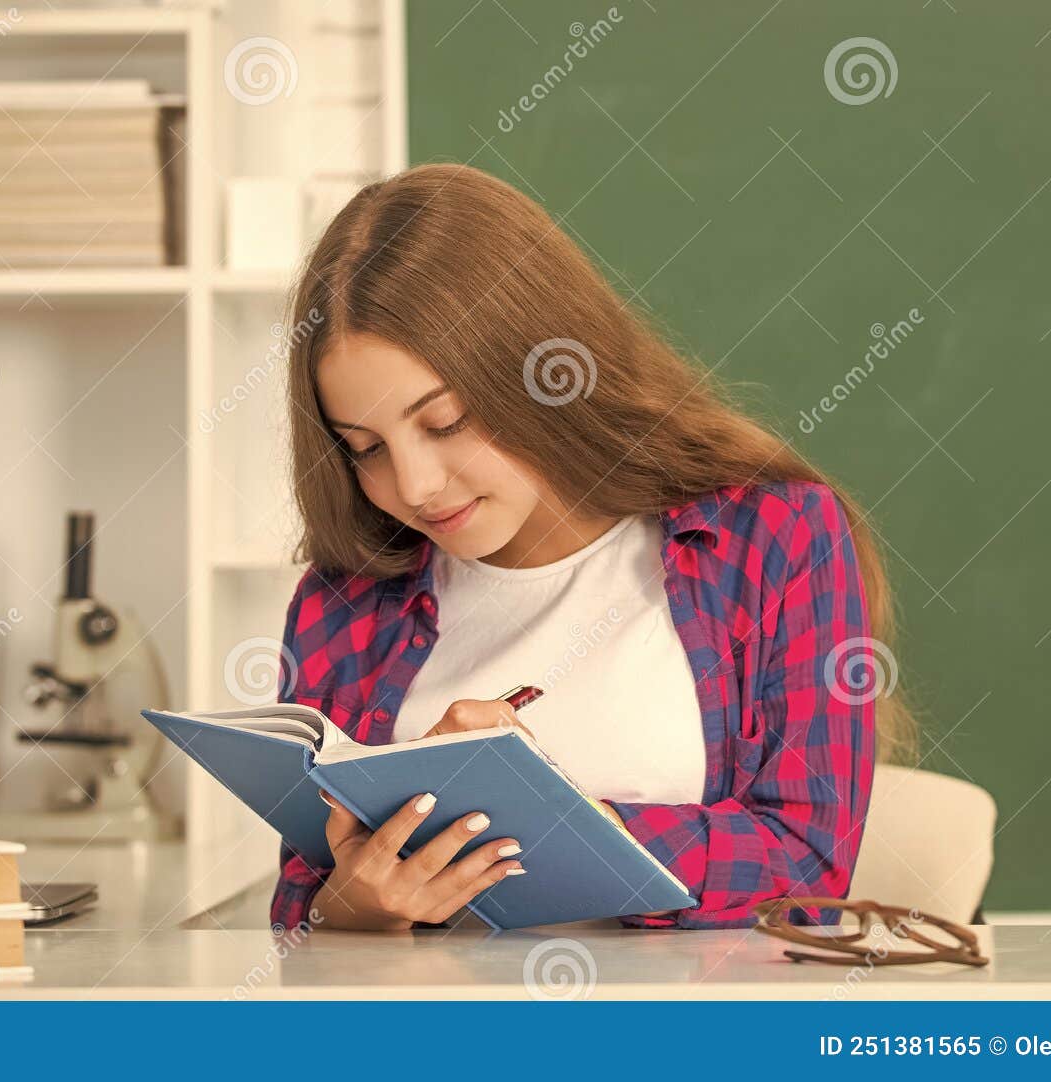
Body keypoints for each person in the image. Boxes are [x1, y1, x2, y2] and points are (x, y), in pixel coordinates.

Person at [268, 163, 911, 932]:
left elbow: (805, 863)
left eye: (444, 424)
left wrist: (553, 817)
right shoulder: (346, 598)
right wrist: (353, 908)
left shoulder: (775, 535)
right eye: (365, 448)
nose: (414, 484)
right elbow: (301, 900)